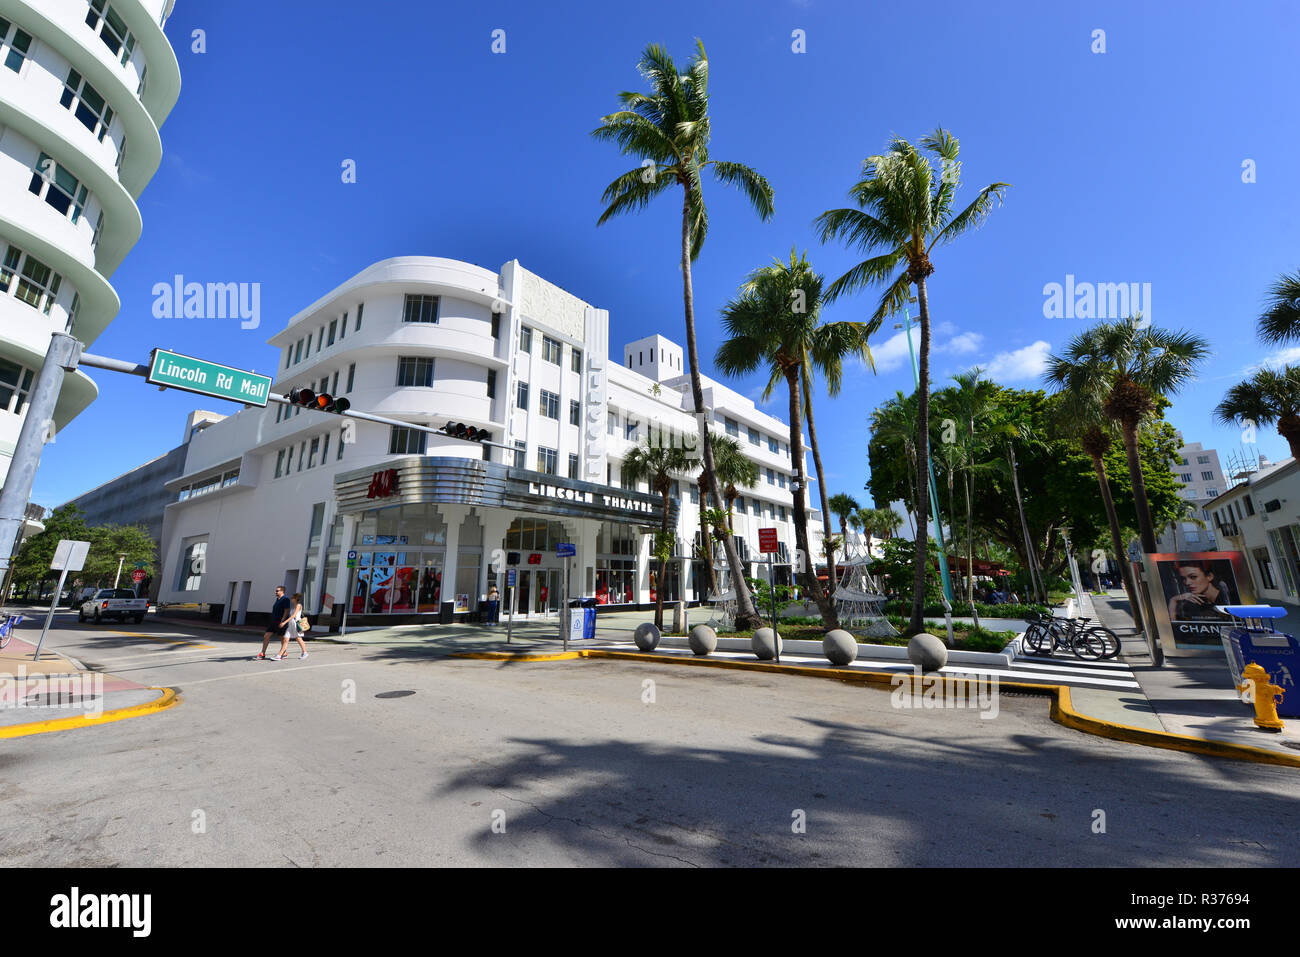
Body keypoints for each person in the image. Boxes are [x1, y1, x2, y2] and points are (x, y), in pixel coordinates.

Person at [1167, 561, 1236, 622]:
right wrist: (1174, 600)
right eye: (1183, 578)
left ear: (1209, 576)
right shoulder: (1193, 605)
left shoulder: (1231, 598)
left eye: (1193, 577)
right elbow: (1176, 628)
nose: (1187, 583)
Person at [270, 592, 309, 660]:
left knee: (299, 639)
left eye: (292, 598)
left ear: (295, 598)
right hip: (291, 624)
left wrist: (284, 622)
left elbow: (294, 615)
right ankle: (279, 655)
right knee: (285, 639)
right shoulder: (294, 606)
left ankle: (305, 652)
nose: (291, 599)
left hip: (295, 624)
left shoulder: (298, 605)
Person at [255, 586, 291, 660]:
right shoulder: (277, 599)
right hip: (273, 621)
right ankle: (262, 653)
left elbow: (287, 610)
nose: (276, 592)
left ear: (282, 591)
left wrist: (283, 620)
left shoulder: (286, 599)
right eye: (276, 591)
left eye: (277, 591)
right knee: (266, 635)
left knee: (282, 638)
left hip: (280, 621)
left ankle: (284, 653)